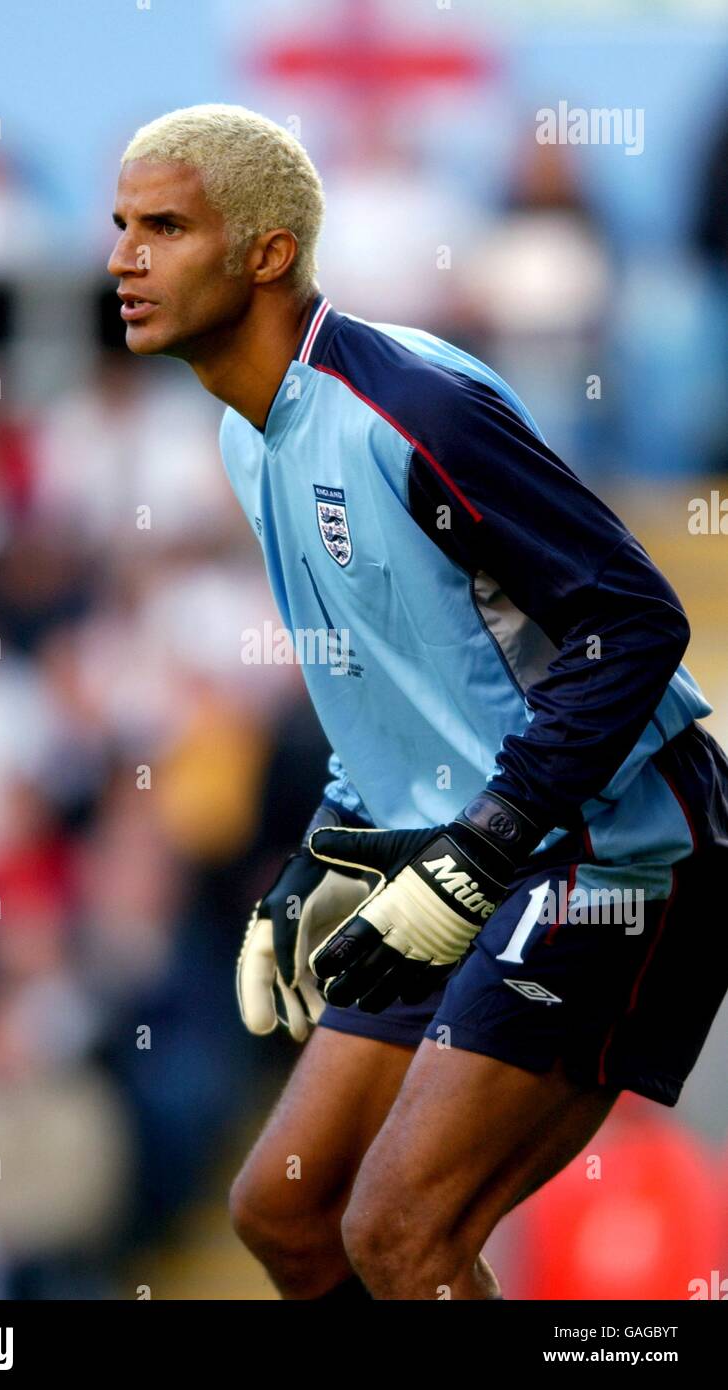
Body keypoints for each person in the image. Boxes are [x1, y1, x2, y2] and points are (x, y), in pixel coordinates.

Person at [106, 103, 728, 1301]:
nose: (124, 257)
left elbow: (638, 622)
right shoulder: (249, 436)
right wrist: (316, 864)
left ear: (267, 252)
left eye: (166, 227)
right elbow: (391, 688)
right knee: (284, 1212)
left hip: (618, 849)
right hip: (485, 853)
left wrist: (478, 850)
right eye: (123, 225)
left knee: (396, 1232)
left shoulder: (413, 406)